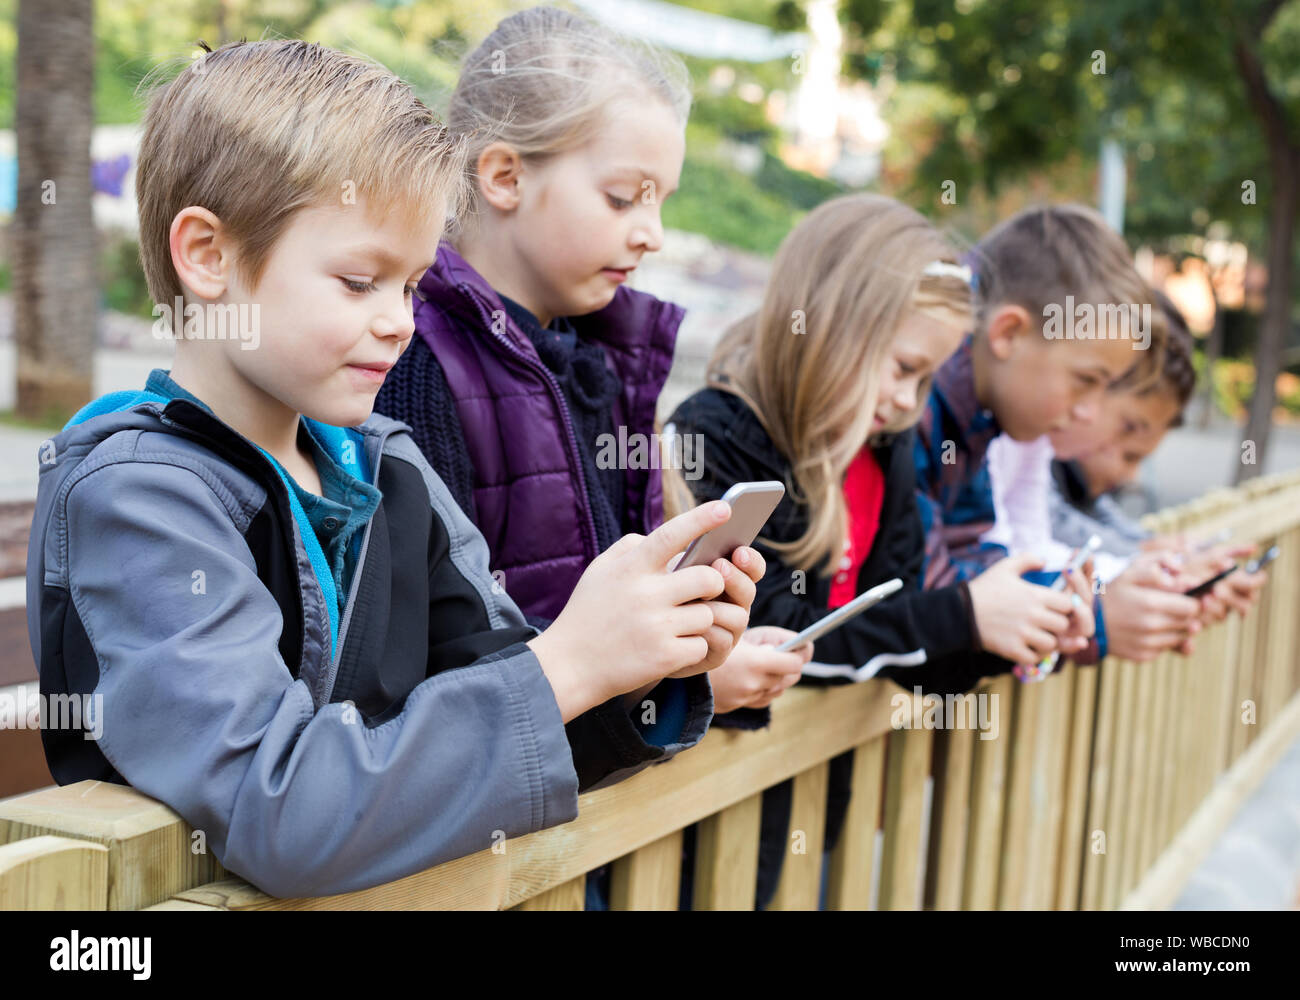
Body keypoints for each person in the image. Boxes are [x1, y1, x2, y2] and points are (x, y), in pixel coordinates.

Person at [25, 39, 763, 900]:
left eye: (411, 286)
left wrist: (642, 665)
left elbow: (509, 714)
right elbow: (281, 810)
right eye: (357, 281)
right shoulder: (139, 499)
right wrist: (568, 663)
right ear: (209, 256)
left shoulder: (389, 467)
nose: (399, 322)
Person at [373, 5, 809, 732]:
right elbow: (444, 665)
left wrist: (693, 651)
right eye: (622, 198)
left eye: (662, 203)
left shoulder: (599, 362)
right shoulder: (411, 364)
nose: (655, 235)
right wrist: (675, 685)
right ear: (506, 176)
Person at [668, 194, 1094, 908]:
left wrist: (1006, 628)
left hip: (798, 815)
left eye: (926, 378)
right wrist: (960, 614)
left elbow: (899, 650)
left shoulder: (887, 452)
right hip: (691, 822)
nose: (907, 400)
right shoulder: (719, 433)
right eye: (900, 366)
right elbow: (775, 637)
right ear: (830, 325)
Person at [913, 203, 1180, 664]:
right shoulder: (915, 406)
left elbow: (991, 559)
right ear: (1009, 333)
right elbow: (927, 591)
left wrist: (1094, 599)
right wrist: (1089, 616)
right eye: (1086, 380)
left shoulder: (985, 409)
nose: (1087, 412)